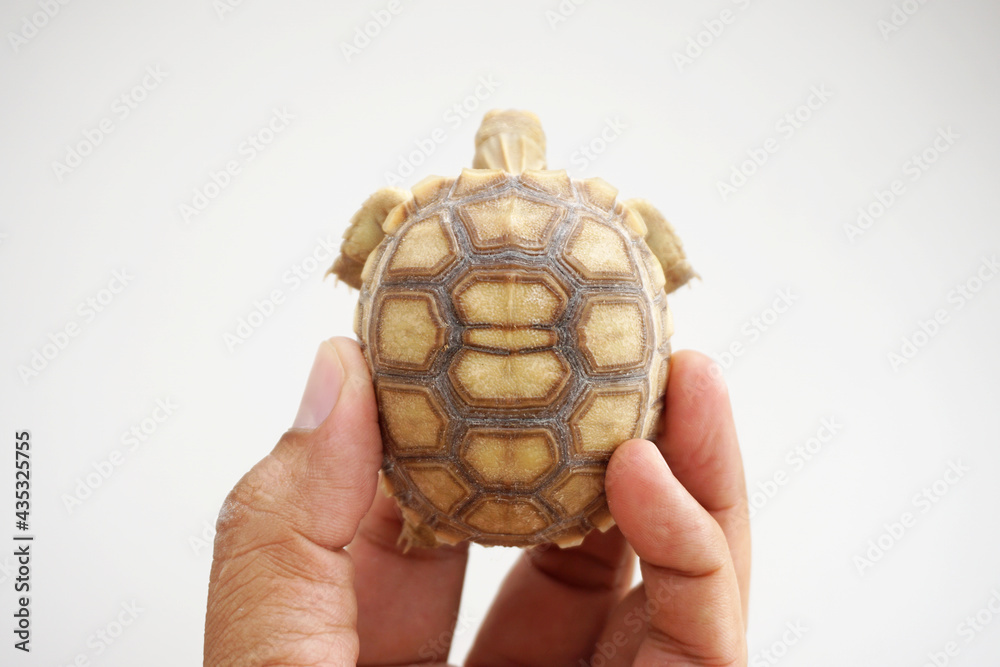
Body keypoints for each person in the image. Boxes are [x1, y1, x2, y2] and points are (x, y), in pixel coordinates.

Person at [204, 338, 751, 666]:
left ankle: (420, 518)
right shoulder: (607, 223)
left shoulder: (423, 219)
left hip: (440, 484)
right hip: (581, 484)